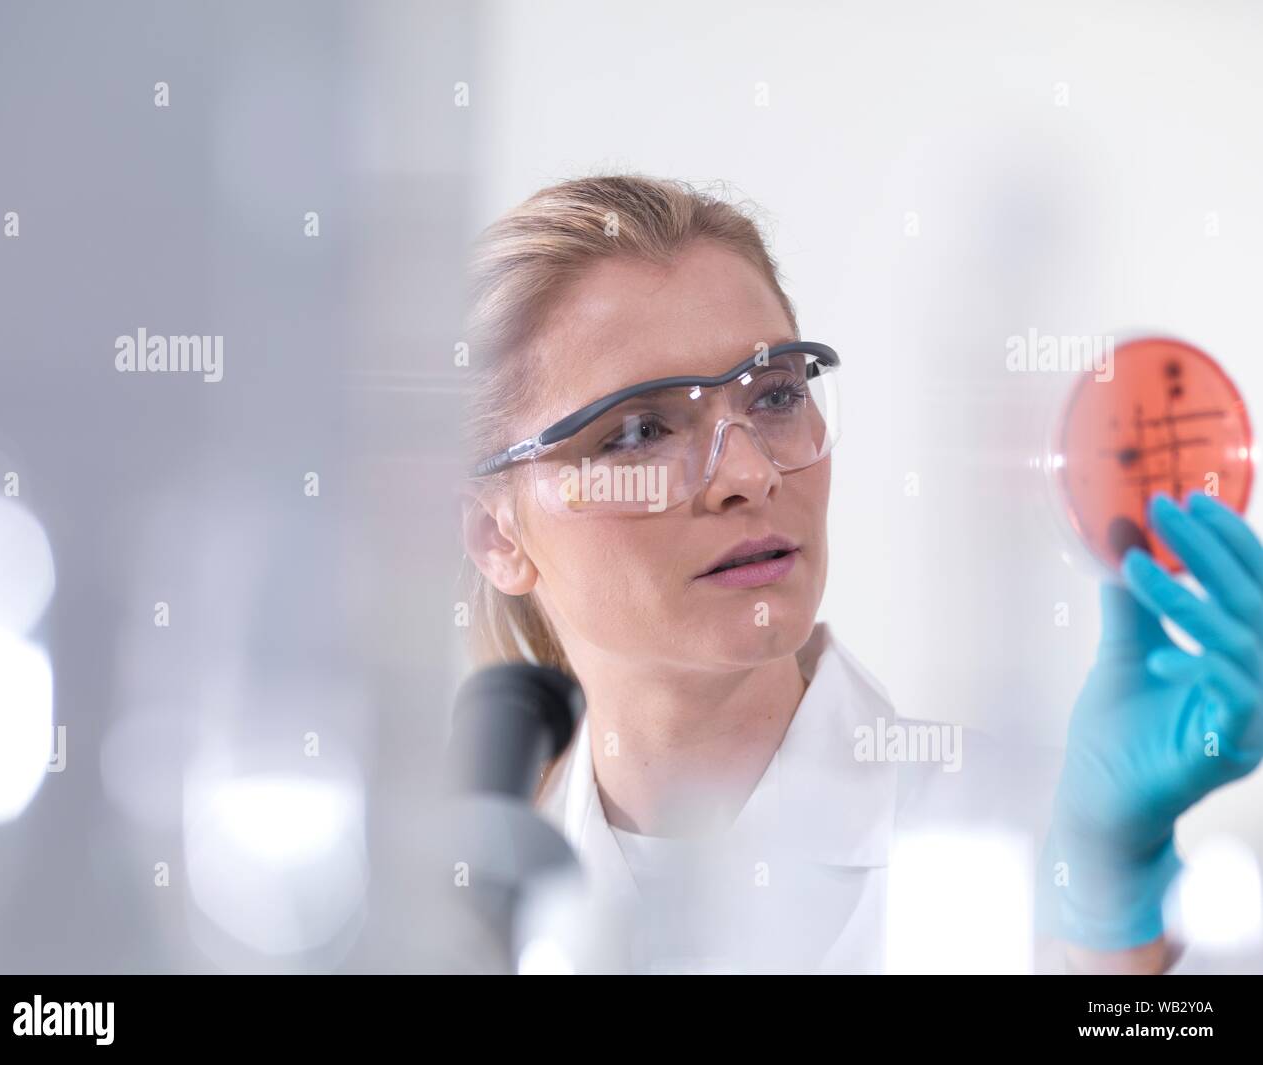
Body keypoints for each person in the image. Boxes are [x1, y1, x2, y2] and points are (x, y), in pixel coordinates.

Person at [459, 174, 1263, 974]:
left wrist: (1117, 931)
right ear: (496, 533)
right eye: (639, 429)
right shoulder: (461, 903)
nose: (748, 472)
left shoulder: (1012, 837)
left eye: (774, 395)